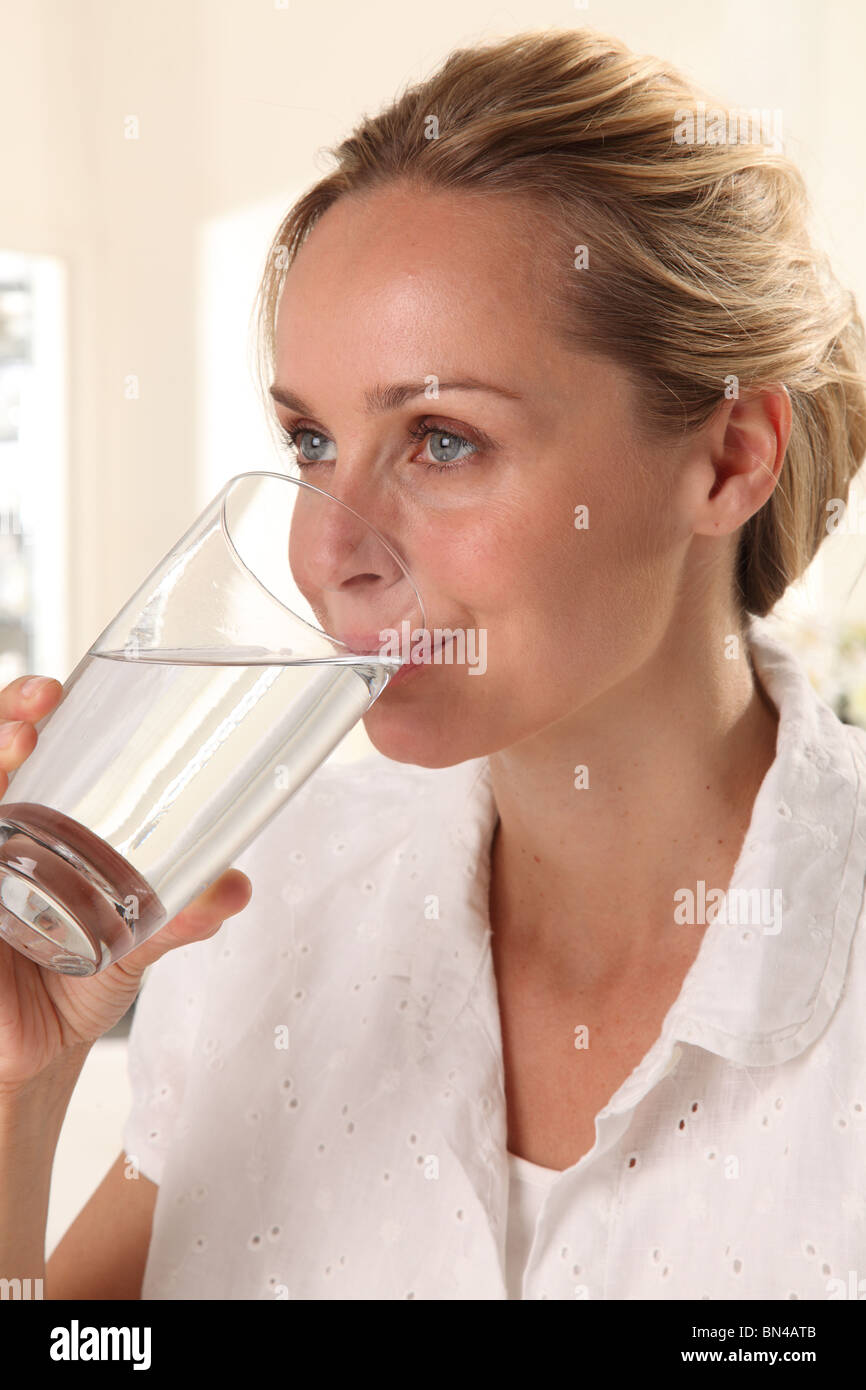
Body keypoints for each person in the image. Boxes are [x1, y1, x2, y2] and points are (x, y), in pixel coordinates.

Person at [3, 27, 866, 1300]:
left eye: (443, 440)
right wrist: (23, 1090)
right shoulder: (264, 919)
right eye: (309, 438)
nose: (325, 544)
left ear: (727, 454)